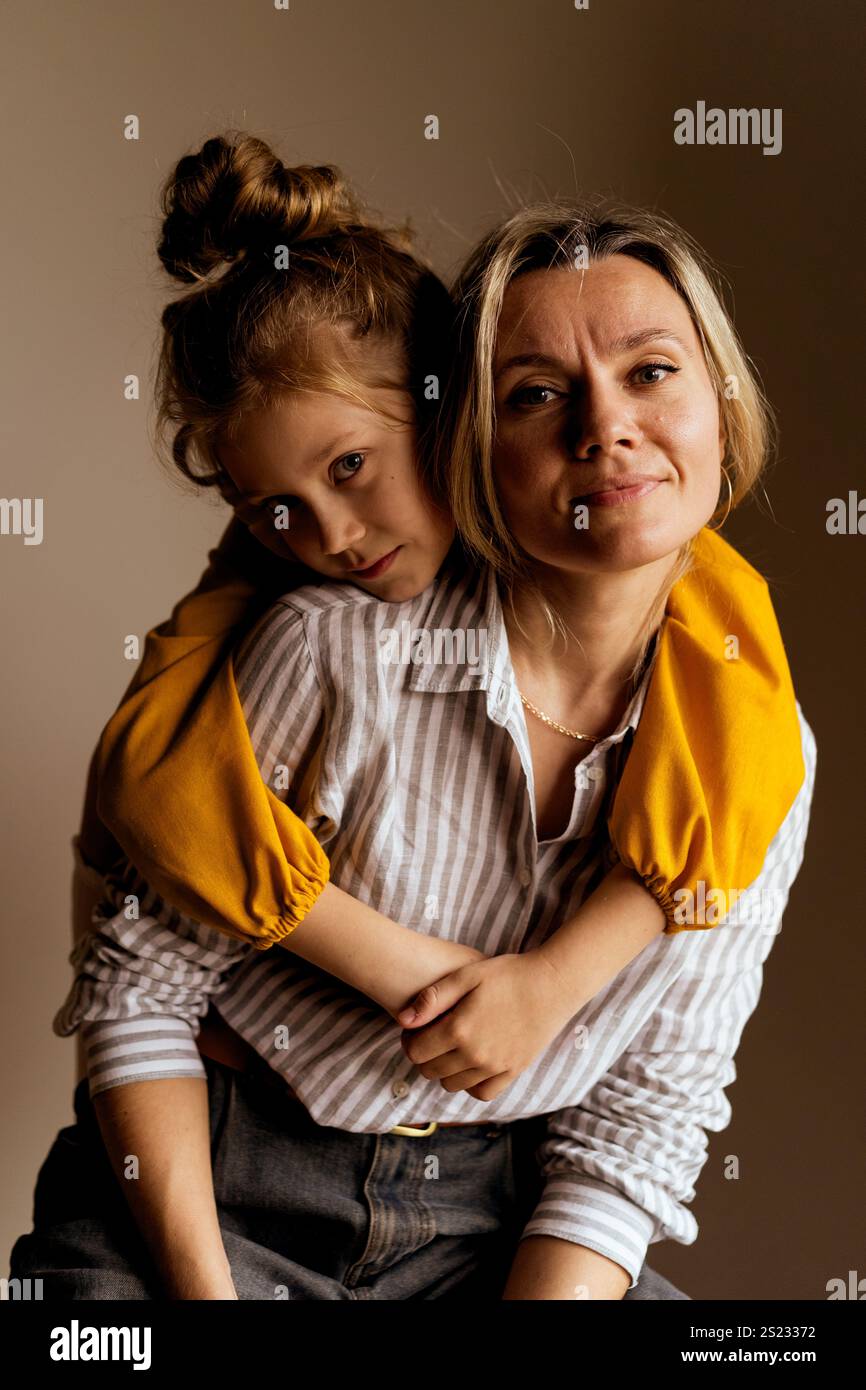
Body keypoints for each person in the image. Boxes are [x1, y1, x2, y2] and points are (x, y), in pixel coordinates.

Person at [10, 138, 815, 1300]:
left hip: (485, 1222)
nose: (605, 427)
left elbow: (652, 1105)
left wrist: (551, 983)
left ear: (721, 397)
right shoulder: (328, 642)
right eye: (536, 393)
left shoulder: (753, 738)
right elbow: (140, 971)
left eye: (650, 372)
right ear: (470, 436)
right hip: (224, 1183)